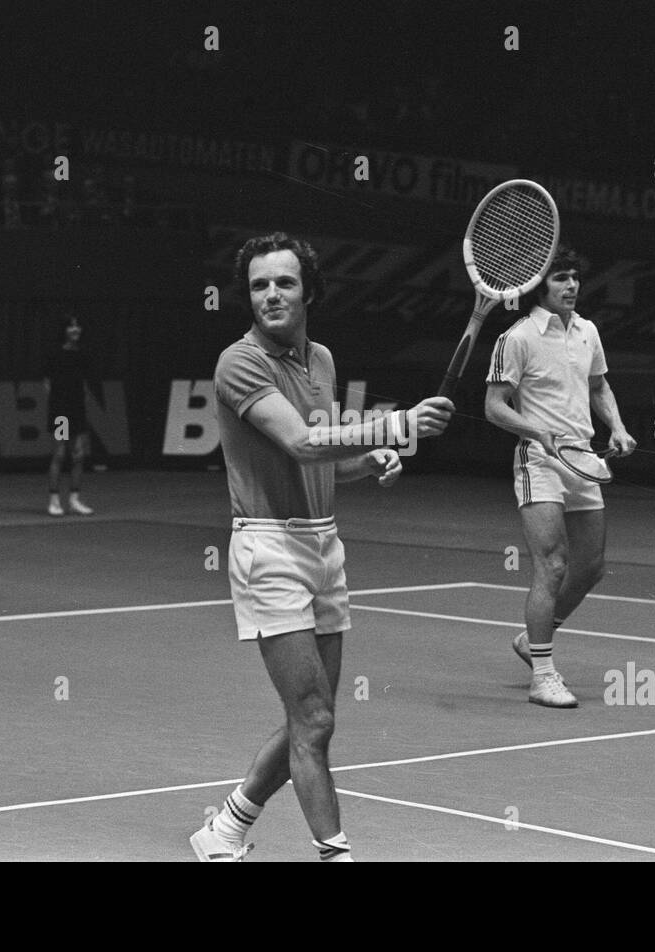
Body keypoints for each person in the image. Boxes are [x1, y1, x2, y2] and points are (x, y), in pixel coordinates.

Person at [190, 232, 454, 862]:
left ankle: (225, 828)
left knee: (316, 716)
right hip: (269, 550)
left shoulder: (323, 361)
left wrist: (373, 459)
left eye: (284, 282)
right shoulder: (239, 362)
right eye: (259, 285)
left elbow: (325, 462)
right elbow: (303, 441)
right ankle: (336, 855)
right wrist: (400, 423)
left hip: (323, 547)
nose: (271, 295)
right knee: (313, 720)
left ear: (308, 289)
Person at [484, 245, 637, 708]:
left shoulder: (587, 331)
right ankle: (543, 676)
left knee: (590, 568)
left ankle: (533, 640)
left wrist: (618, 427)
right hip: (538, 461)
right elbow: (493, 406)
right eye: (560, 278)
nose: (570, 286)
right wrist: (537, 431)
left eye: (574, 277)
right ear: (539, 286)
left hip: (582, 461)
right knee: (552, 564)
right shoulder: (519, 337)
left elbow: (598, 385)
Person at [43, 315, 94, 516]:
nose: (76, 330)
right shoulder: (55, 353)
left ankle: (74, 500)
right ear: (64, 331)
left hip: (77, 411)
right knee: (60, 454)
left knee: (79, 455)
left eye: (78, 326)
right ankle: (54, 501)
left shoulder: (83, 354)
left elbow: (84, 384)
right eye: (71, 327)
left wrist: (83, 405)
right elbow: (46, 382)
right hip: (61, 413)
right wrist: (57, 407)